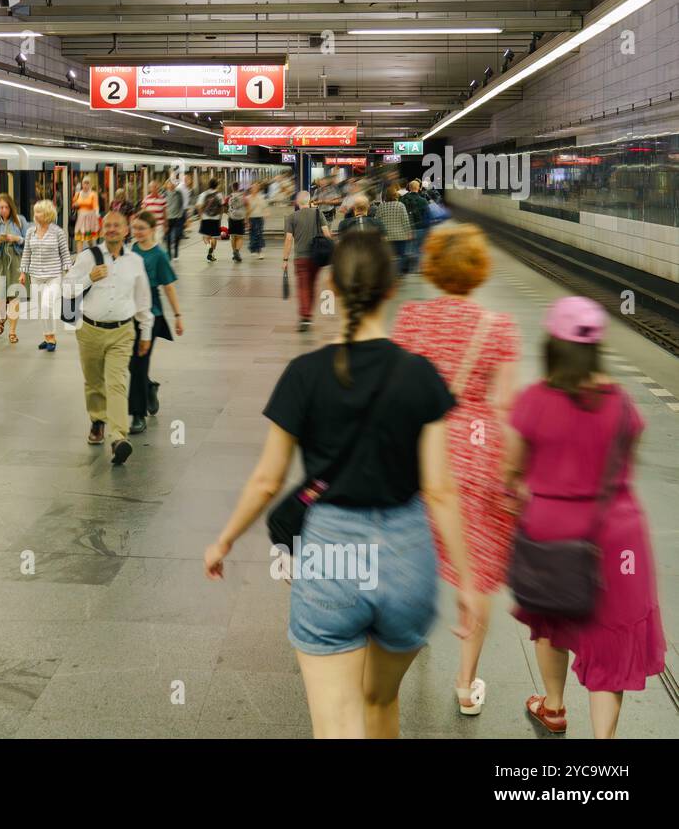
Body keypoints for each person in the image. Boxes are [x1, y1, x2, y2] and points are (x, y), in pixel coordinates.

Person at [203, 231, 481, 738]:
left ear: (331, 284)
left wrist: (225, 540)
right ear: (393, 287)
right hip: (406, 556)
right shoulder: (420, 375)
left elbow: (268, 480)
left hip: (332, 551)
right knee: (380, 702)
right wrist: (465, 580)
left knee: (337, 725)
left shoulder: (305, 374)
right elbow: (440, 489)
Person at [507, 297, 666, 738]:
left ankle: (553, 708)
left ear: (553, 347)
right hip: (617, 543)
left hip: (550, 535)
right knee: (611, 642)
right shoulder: (621, 406)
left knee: (551, 622)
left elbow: (513, 470)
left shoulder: (534, 400)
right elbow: (623, 465)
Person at [391, 225, 520, 715]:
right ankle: (466, 685)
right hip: (477, 453)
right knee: (479, 572)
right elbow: (505, 408)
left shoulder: (411, 319)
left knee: (413, 555)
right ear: (478, 269)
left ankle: (406, 641)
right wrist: (510, 475)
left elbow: (397, 390)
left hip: (421, 447)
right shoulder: (499, 327)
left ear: (431, 266)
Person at [63, 210, 152, 466]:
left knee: (116, 383)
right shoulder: (88, 257)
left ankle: (118, 437)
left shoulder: (135, 262)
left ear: (126, 231)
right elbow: (66, 288)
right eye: (108, 225)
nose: (112, 229)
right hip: (90, 330)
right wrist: (88, 278)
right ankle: (97, 420)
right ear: (103, 229)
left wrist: (145, 330)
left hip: (123, 332)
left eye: (118, 225)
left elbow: (143, 299)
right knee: (93, 382)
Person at [128, 210, 182, 435]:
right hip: (130, 313)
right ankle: (149, 387)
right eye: (135, 228)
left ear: (152, 230)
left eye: (141, 228)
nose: (137, 232)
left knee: (139, 364)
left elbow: (168, 286)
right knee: (131, 364)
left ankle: (137, 415)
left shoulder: (159, 255)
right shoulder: (132, 250)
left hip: (151, 315)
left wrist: (178, 316)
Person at [17, 198, 72, 353]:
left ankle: (52, 337)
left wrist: (69, 273)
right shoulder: (30, 232)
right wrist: (23, 273)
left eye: (39, 211)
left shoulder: (58, 232)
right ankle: (47, 336)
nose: (35, 214)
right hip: (35, 275)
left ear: (47, 213)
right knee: (42, 308)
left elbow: (65, 254)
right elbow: (26, 253)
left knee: (47, 304)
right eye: (35, 211)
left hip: (54, 275)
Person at [281, 191, 334, 332]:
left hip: (301, 258)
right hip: (316, 257)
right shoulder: (318, 214)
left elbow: (288, 240)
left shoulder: (291, 217)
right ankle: (308, 316)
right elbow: (327, 235)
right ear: (309, 201)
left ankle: (305, 316)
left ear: (297, 202)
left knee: (303, 287)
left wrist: (285, 259)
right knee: (312, 286)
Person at [0, 193, 26, 345]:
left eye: (6, 207)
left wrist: (17, 239)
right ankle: (2, 317)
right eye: (1, 207)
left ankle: (12, 331)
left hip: (15, 261)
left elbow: (28, 241)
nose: (3, 210)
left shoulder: (20, 221)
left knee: (13, 297)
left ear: (11, 208)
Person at [377, 187, 413, 277]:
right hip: (400, 235)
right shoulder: (401, 205)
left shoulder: (381, 206)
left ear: (385, 196)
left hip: (386, 237)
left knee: (388, 256)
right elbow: (405, 220)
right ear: (395, 195)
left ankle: (389, 272)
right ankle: (399, 272)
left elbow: (377, 221)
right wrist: (409, 232)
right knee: (401, 255)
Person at [401, 179, 431, 272]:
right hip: (420, 228)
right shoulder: (423, 201)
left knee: (407, 248)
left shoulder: (402, 199)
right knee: (419, 249)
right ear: (418, 188)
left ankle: (407, 269)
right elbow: (427, 216)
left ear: (409, 188)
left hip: (406, 228)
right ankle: (417, 269)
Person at [197, 179, 225, 262]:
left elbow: (198, 206)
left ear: (208, 185)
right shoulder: (219, 195)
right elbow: (222, 207)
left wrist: (201, 215)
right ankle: (212, 254)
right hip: (216, 218)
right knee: (214, 237)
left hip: (205, 217)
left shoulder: (203, 194)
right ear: (217, 185)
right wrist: (220, 216)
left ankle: (208, 246)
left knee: (205, 236)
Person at [71, 175, 101, 250]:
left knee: (89, 239)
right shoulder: (78, 194)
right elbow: (73, 204)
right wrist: (75, 205)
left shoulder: (93, 194)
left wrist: (97, 215)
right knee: (79, 238)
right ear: (82, 184)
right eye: (84, 183)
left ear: (90, 184)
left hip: (90, 219)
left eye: (87, 183)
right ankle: (79, 257)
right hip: (80, 218)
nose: (86, 185)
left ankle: (93, 251)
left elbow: (96, 206)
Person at [162, 177, 187, 259]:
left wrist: (181, 215)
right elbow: (162, 207)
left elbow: (181, 204)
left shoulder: (178, 193)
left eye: (173, 184)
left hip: (177, 218)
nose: (171, 185)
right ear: (167, 185)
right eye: (169, 183)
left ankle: (176, 250)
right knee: (168, 237)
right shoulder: (164, 194)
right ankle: (169, 253)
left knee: (177, 235)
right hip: (168, 218)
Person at [226, 182, 249, 262]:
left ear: (232, 188)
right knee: (240, 237)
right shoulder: (243, 196)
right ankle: (237, 251)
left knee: (233, 237)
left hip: (231, 218)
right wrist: (247, 219)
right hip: (241, 218)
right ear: (239, 188)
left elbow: (224, 206)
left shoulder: (229, 197)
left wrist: (228, 213)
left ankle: (234, 253)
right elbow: (247, 206)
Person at [140, 180, 166, 244]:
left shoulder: (162, 198)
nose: (154, 188)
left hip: (159, 225)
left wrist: (166, 225)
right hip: (149, 225)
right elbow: (143, 211)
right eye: (152, 187)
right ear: (150, 189)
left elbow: (165, 212)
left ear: (158, 188)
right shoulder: (146, 199)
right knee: (150, 243)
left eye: (155, 187)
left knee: (158, 242)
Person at [246, 181, 268, 259]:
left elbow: (265, 207)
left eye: (256, 187)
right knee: (252, 234)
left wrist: (266, 213)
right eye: (253, 187)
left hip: (259, 218)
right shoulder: (248, 198)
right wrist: (247, 221)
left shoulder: (261, 197)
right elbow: (247, 210)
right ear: (251, 189)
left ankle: (260, 251)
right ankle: (253, 250)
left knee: (259, 234)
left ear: (258, 189)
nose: (254, 189)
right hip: (251, 218)